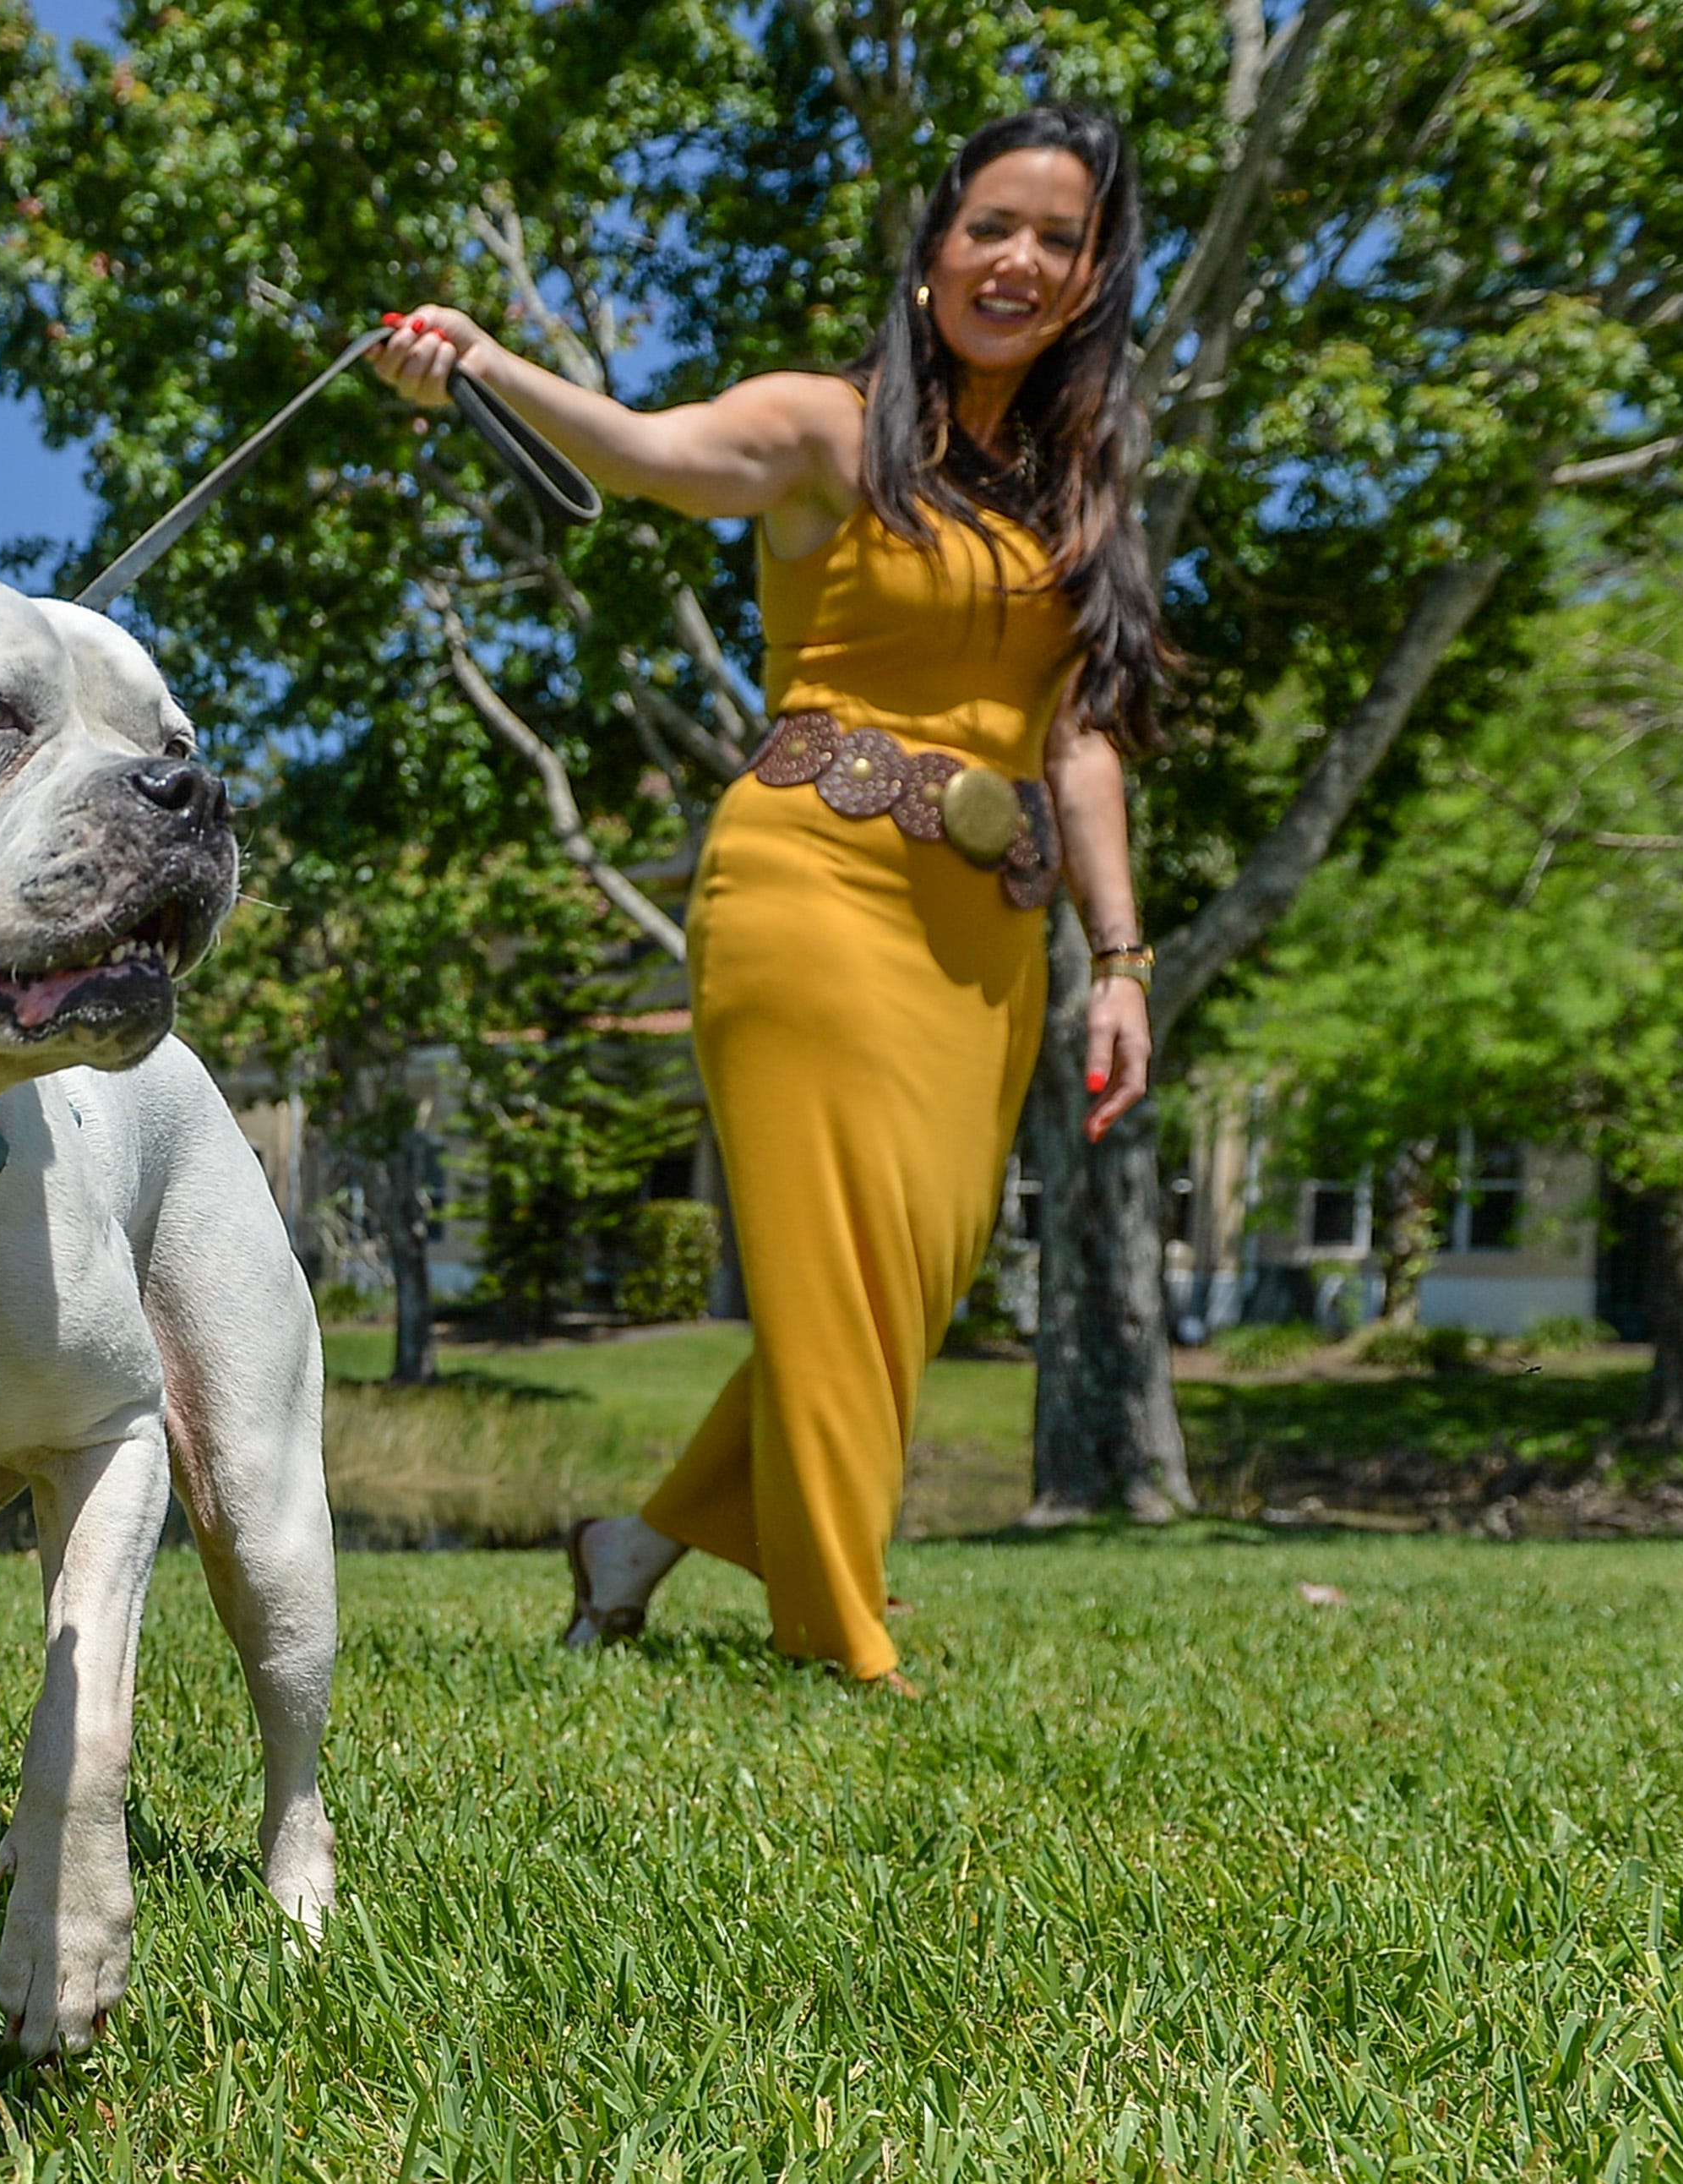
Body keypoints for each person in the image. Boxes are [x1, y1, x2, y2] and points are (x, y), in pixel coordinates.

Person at [373, 104, 1166, 1692]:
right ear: (934, 248)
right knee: (839, 1272)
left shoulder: (1076, 491)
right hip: (814, 890)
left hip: (990, 944)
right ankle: (838, 1633)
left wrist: (1124, 957)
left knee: (895, 1292)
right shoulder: (828, 427)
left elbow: (1079, 740)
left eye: (1058, 238)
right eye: (990, 225)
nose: (1017, 260)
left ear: (1092, 280)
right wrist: (482, 366)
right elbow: (649, 452)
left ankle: (632, 1548)